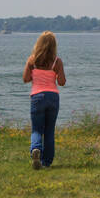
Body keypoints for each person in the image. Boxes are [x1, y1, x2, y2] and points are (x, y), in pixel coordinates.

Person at [22, 31, 66, 169]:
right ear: (54, 46)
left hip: (37, 97)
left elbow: (25, 79)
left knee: (36, 130)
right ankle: (46, 162)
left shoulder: (32, 60)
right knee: (49, 131)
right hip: (52, 96)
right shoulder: (57, 61)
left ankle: (36, 149)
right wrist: (55, 74)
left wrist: (36, 75)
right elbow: (62, 82)